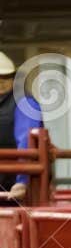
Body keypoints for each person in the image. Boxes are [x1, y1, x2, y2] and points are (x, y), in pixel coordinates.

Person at [0, 52, 42, 204]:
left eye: (7, 77)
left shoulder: (25, 103)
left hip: (13, 186)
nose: (2, 82)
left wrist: (22, 180)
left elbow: (26, 141)